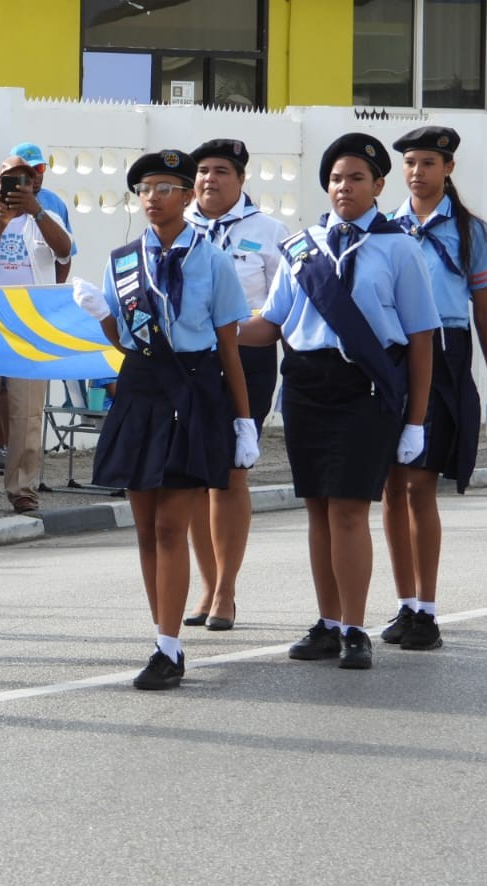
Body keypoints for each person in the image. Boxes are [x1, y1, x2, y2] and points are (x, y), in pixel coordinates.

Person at [240, 133, 439, 670]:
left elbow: (421, 338)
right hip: (306, 385)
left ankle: (355, 629)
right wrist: (214, 328)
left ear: (378, 185)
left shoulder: (399, 248)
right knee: (317, 509)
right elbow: (270, 324)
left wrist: (415, 421)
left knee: (349, 510)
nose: (344, 187)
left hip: (365, 388)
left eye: (356, 178)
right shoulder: (303, 247)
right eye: (335, 178)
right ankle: (327, 623)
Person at [71, 149, 257, 691]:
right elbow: (126, 340)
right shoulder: (123, 260)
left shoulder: (212, 259)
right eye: (145, 189)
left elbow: (228, 347)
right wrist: (103, 317)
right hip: (141, 388)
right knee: (147, 528)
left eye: (165, 188)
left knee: (173, 525)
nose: (153, 198)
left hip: (195, 388)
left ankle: (169, 648)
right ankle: (162, 635)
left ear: (187, 196)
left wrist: (243, 421)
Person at [380, 126, 487, 651]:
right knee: (391, 486)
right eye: (411, 162)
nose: (418, 172)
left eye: (429, 163)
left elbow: (484, 311)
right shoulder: (386, 227)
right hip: (392, 354)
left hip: (443, 352)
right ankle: (404, 602)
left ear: (449, 168)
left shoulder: (469, 231)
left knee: (420, 485)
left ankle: (428, 611)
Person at [182, 139, 291, 631]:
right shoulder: (177, 227)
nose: (210, 179)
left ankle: (226, 590)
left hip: (245, 362)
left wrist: (227, 329)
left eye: (221, 171)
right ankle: (207, 586)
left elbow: (281, 309)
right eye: (203, 170)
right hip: (186, 363)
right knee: (190, 478)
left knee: (229, 475)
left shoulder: (269, 232)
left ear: (241, 179)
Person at [0, 153, 73, 513]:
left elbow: (64, 251)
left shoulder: (49, 218)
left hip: (30, 326)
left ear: (35, 184)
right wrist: (0, 224)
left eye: (26, 179)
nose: (20, 185)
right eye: (12, 178)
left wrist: (36, 212)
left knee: (27, 412)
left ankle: (22, 488)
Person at [0, 141, 76, 282]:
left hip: (35, 297)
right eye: (16, 180)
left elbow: (65, 254)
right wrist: (0, 226)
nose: (36, 177)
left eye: (39, 169)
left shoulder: (54, 208)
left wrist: (38, 212)